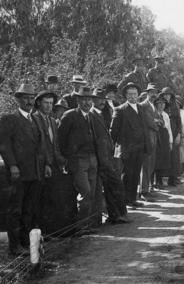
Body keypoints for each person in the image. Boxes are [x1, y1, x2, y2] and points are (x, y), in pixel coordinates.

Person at [0, 84, 49, 255]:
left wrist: (46, 164)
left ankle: (26, 242)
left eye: (31, 98)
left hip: (35, 172)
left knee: (29, 209)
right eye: (25, 98)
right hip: (18, 172)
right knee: (16, 210)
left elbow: (41, 146)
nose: (29, 101)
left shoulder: (35, 119)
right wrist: (12, 165)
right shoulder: (9, 119)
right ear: (18, 99)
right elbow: (4, 145)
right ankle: (14, 246)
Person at [58, 86, 113, 234]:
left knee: (93, 193)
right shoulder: (69, 116)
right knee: (85, 192)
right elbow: (60, 140)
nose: (88, 103)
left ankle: (87, 224)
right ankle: (80, 226)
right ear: (78, 101)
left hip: (93, 159)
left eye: (90, 99)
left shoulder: (93, 116)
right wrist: (67, 158)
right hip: (78, 161)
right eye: (84, 100)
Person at [89, 89, 130, 225]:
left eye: (103, 99)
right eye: (98, 99)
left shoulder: (102, 114)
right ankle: (114, 215)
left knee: (110, 187)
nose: (102, 102)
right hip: (100, 160)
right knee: (114, 184)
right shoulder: (91, 115)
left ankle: (115, 215)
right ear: (92, 100)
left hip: (106, 158)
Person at [110, 83, 151, 209]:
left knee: (136, 173)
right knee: (127, 175)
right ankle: (126, 201)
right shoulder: (120, 110)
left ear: (138, 95)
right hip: (127, 149)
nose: (133, 96)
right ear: (126, 96)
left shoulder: (142, 108)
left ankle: (133, 199)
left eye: (135, 94)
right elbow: (113, 131)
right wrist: (121, 144)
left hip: (140, 147)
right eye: (130, 94)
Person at [140, 83, 162, 199]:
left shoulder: (153, 106)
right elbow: (149, 121)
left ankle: (147, 188)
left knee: (151, 165)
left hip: (154, 139)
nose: (154, 95)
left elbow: (161, 121)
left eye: (156, 93)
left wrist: (157, 120)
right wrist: (156, 121)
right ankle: (143, 191)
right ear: (147, 93)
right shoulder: (143, 106)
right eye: (152, 92)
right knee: (146, 165)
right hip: (147, 140)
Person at [161, 87, 183, 185]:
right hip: (164, 130)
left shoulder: (175, 105)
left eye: (168, 95)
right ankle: (160, 179)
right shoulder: (159, 104)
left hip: (174, 130)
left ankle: (173, 177)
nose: (167, 97)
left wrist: (178, 134)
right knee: (165, 154)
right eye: (165, 95)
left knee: (174, 155)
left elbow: (179, 120)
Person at [153, 95, 174, 187]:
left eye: (163, 104)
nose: (161, 105)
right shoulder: (154, 114)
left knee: (163, 159)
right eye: (159, 104)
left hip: (164, 137)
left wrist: (170, 141)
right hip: (156, 136)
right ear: (156, 105)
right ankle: (154, 180)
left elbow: (169, 128)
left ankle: (160, 179)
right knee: (156, 158)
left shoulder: (165, 115)